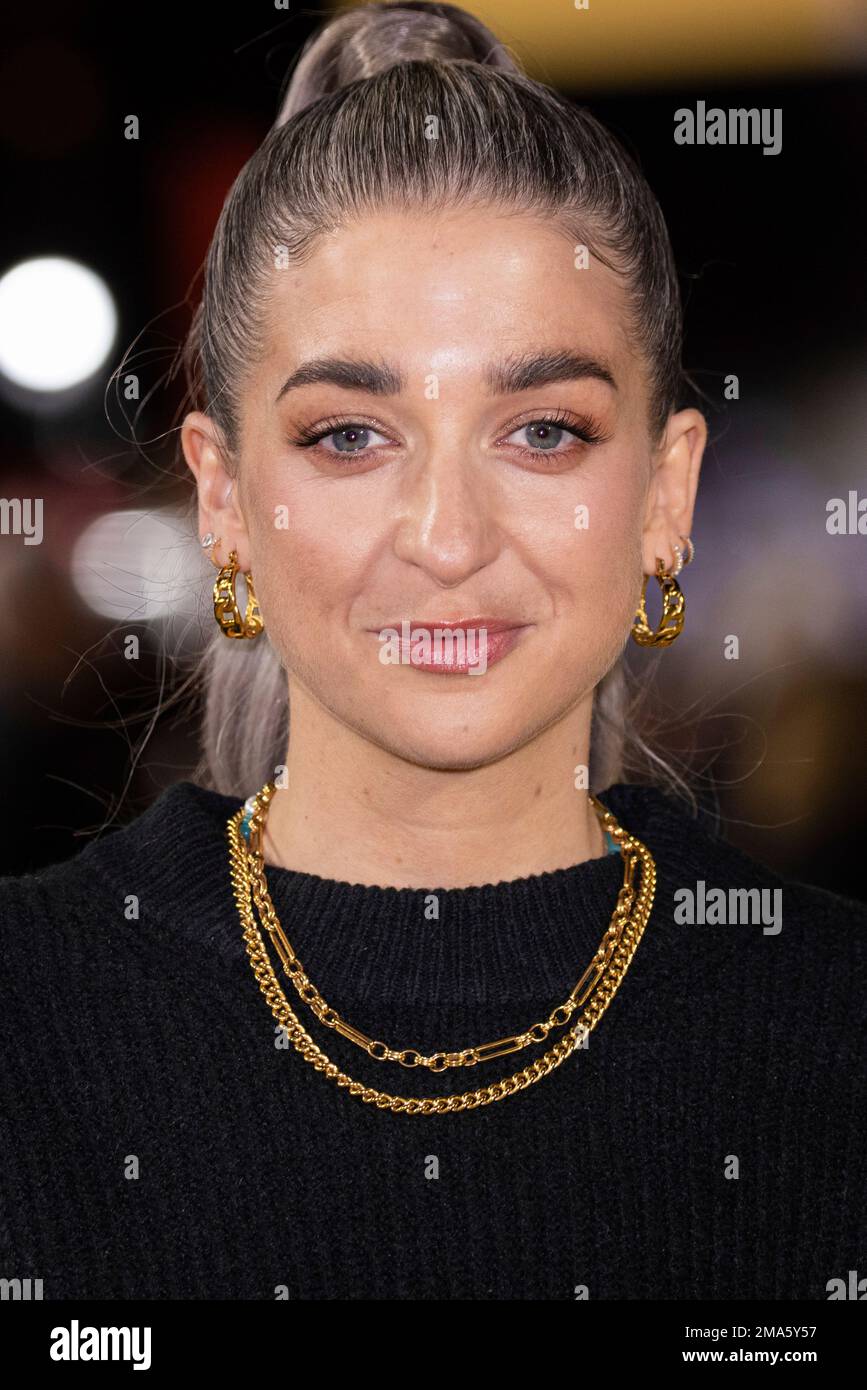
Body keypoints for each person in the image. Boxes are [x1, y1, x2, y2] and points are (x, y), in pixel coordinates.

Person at [1, 1, 863, 1301]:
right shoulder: (26, 1023)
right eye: (351, 435)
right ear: (225, 499)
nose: (447, 537)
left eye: (543, 431)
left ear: (667, 497)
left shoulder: (839, 1030)